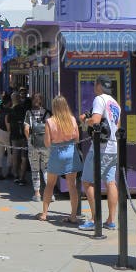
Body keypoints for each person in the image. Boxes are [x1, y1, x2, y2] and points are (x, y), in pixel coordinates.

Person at [78, 75, 121, 231]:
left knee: (87, 181)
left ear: (99, 86)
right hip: (113, 147)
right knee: (110, 182)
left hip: (100, 148)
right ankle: (110, 220)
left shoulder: (99, 99)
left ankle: (95, 218)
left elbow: (95, 120)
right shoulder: (115, 104)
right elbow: (117, 125)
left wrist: (84, 119)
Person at [37, 95, 81, 223]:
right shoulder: (72, 120)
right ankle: (73, 215)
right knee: (72, 186)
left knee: (50, 184)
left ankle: (44, 214)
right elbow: (77, 138)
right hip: (71, 153)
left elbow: (47, 143)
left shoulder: (50, 121)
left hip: (56, 153)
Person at [24, 93, 51, 202]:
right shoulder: (47, 113)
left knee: (35, 169)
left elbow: (26, 129)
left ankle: (37, 194)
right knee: (46, 169)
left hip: (33, 145)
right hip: (45, 144)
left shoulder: (28, 113)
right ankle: (50, 194)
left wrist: (29, 140)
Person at [8, 92, 28, 186]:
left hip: (14, 136)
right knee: (24, 157)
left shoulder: (10, 110)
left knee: (15, 155)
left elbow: (8, 126)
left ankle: (16, 175)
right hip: (24, 135)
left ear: (12, 100)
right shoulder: (24, 109)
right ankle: (22, 177)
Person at [0, 93, 13, 176]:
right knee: (10, 153)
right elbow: (7, 124)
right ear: (9, 102)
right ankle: (9, 172)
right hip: (5, 133)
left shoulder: (1, 109)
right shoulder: (9, 111)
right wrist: (10, 132)